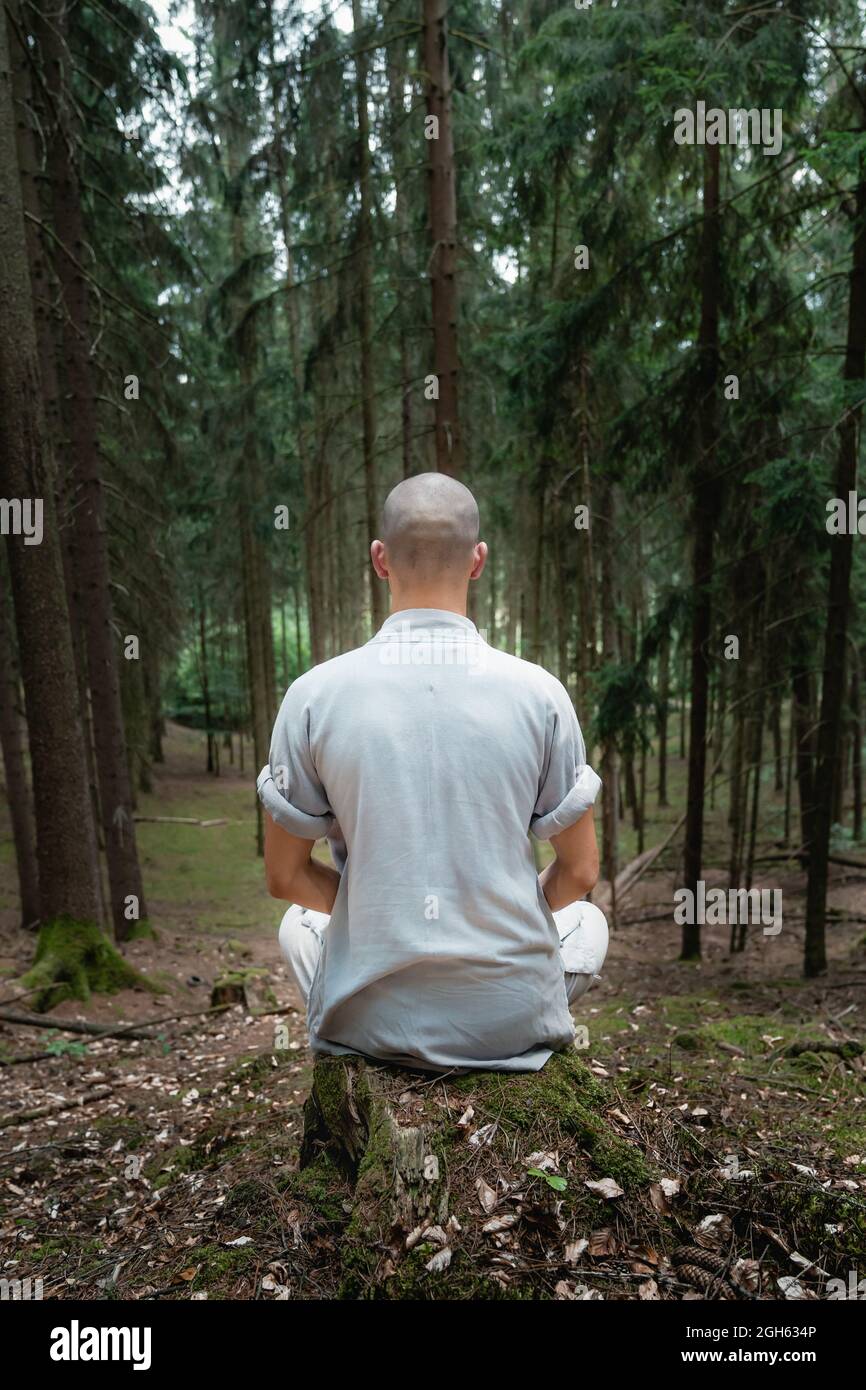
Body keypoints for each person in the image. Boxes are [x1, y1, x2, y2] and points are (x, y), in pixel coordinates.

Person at [258, 472, 608, 1072]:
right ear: (477, 561)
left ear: (380, 559)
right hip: (508, 1020)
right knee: (589, 922)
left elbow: (285, 877)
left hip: (367, 1022)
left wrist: (378, 912)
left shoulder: (313, 695)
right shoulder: (541, 695)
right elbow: (579, 873)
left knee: (297, 923)